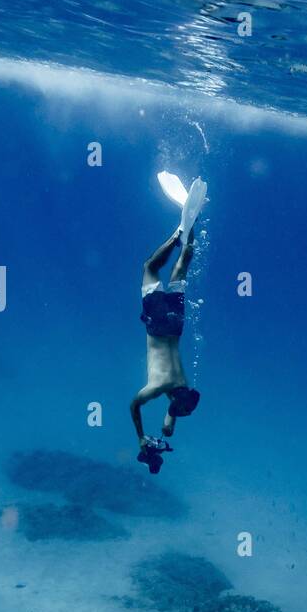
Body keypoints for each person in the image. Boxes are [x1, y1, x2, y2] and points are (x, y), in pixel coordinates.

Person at [132, 179, 206, 474]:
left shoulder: (181, 385)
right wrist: (140, 438)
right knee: (149, 268)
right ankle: (179, 231)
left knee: (182, 266)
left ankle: (187, 232)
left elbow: (178, 399)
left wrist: (170, 420)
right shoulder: (160, 387)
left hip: (176, 325)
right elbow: (134, 407)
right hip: (157, 325)